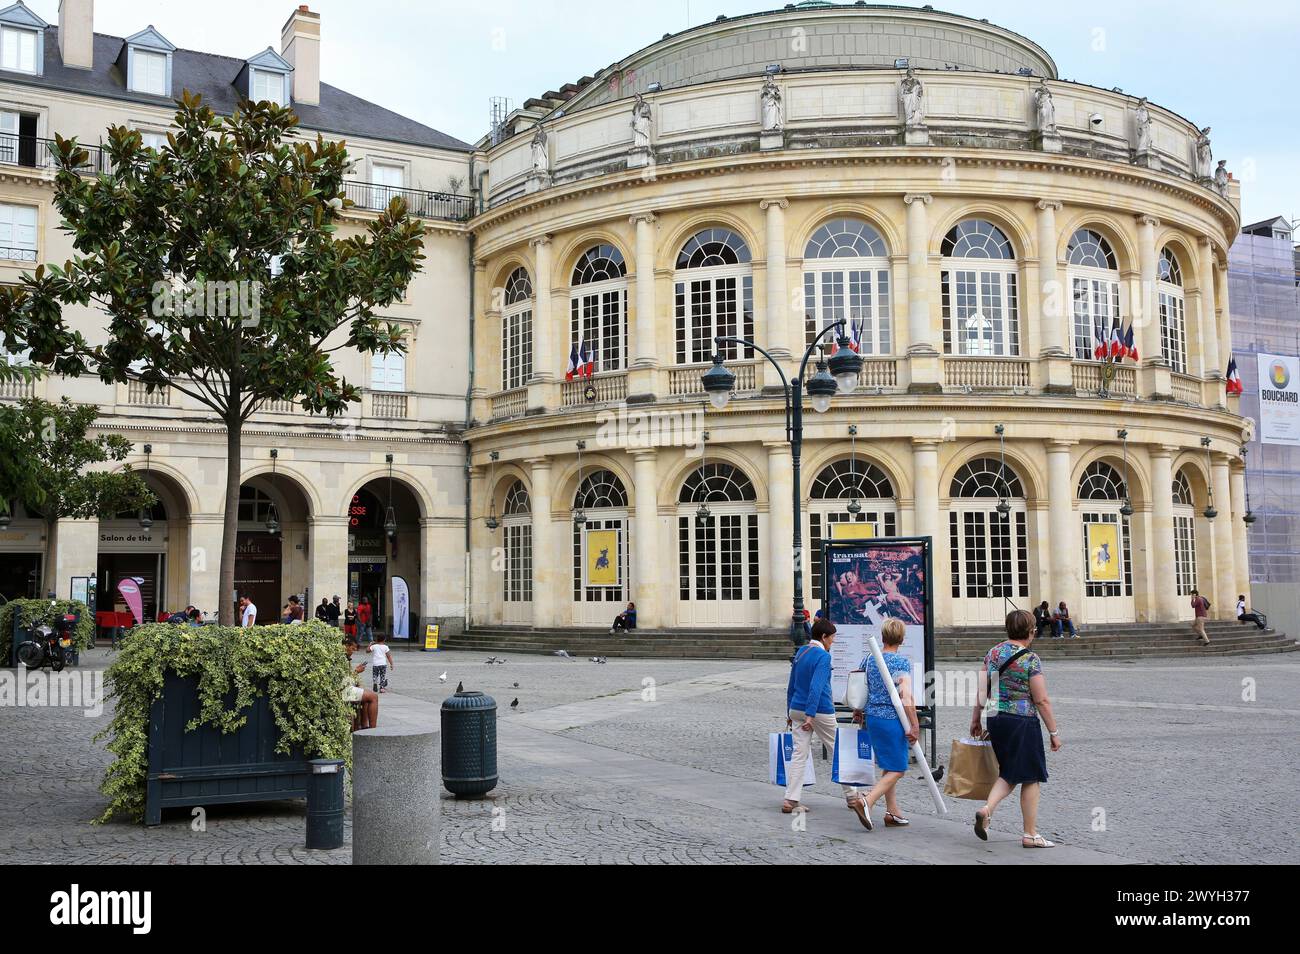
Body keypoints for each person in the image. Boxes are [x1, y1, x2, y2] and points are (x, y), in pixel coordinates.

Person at [970, 609, 1062, 849]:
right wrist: (1053, 732)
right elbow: (1041, 699)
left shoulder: (993, 653)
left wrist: (976, 719)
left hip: (995, 718)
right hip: (1022, 720)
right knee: (1031, 776)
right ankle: (1030, 834)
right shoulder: (1031, 659)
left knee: (1009, 772)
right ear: (1030, 631)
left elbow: (983, 690)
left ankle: (987, 809)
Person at [782, 618, 873, 828]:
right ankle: (852, 797)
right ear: (824, 637)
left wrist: (789, 712)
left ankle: (790, 799)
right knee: (838, 751)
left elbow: (791, 685)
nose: (833, 641)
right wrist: (810, 715)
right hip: (819, 710)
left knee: (799, 754)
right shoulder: (823, 656)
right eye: (832, 637)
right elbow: (816, 687)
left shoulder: (801, 652)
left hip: (796, 707)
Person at [851, 617, 920, 830]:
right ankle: (867, 801)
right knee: (898, 768)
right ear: (902, 639)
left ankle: (893, 812)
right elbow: (906, 696)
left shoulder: (869, 659)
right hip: (892, 719)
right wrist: (915, 724)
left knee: (889, 765)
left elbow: (859, 685)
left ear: (882, 637)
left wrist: (858, 709)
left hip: (873, 717)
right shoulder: (901, 663)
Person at [342, 638, 379, 730]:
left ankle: (364, 726)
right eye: (352, 648)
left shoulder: (345, 658)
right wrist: (356, 671)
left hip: (347, 687)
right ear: (346, 646)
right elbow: (344, 680)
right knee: (373, 697)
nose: (353, 651)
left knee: (366, 699)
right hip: (343, 690)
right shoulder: (341, 658)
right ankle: (373, 729)